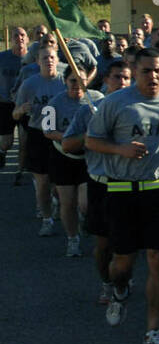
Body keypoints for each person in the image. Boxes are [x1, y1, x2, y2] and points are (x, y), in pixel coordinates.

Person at [84, 47, 159, 344]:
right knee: (123, 262)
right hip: (122, 189)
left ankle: (153, 333)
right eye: (146, 70)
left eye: (158, 70)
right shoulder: (116, 102)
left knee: (158, 259)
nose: (153, 76)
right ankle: (119, 288)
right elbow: (91, 140)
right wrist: (120, 149)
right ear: (135, 72)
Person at [64, 57, 131, 304]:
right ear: (106, 80)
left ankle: (122, 278)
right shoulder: (89, 109)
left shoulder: (140, 110)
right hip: (101, 184)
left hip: (131, 183)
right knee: (103, 244)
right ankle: (106, 283)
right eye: (117, 77)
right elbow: (68, 144)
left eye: (126, 78)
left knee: (127, 245)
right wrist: (92, 133)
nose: (122, 82)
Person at [42, 64, 101, 257]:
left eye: (82, 80)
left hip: (88, 157)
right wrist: (70, 138)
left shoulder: (98, 100)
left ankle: (85, 219)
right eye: (73, 81)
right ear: (65, 81)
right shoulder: (54, 103)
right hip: (63, 156)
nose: (77, 85)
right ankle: (72, 239)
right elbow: (47, 131)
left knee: (85, 203)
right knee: (67, 203)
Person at [13, 42, 66, 235]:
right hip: (38, 134)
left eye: (52, 57)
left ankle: (61, 206)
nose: (49, 61)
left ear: (57, 60)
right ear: (37, 61)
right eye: (45, 58)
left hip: (60, 135)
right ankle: (46, 219)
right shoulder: (29, 84)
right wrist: (21, 109)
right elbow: (15, 114)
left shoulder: (65, 82)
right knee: (42, 183)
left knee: (59, 184)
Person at [0, 26, 30, 171]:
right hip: (6, 103)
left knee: (24, 142)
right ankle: (2, 153)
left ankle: (19, 172)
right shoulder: (2, 58)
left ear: (28, 39)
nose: (19, 38)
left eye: (22, 35)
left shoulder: (33, 59)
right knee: (7, 142)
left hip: (25, 104)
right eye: (16, 36)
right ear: (11, 40)